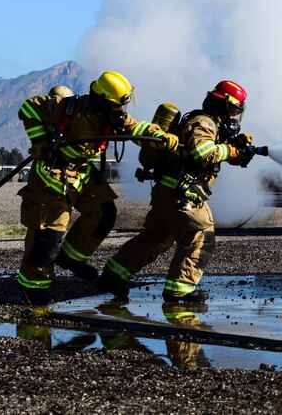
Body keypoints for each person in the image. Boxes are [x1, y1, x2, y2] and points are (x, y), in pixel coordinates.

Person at [16, 71, 178, 306]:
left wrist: (161, 136)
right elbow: (28, 108)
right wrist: (40, 140)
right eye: (117, 105)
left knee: (104, 213)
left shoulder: (111, 116)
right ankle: (33, 289)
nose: (121, 111)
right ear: (102, 101)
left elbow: (137, 128)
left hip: (82, 174)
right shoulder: (67, 108)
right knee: (47, 237)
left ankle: (70, 258)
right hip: (52, 177)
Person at [97, 80, 259, 303]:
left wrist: (238, 149)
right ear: (222, 105)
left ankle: (112, 276)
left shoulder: (211, 125)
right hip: (182, 194)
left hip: (169, 191)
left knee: (156, 238)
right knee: (200, 237)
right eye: (232, 110)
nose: (233, 117)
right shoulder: (204, 123)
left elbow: (215, 153)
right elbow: (203, 153)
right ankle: (180, 289)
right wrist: (230, 150)